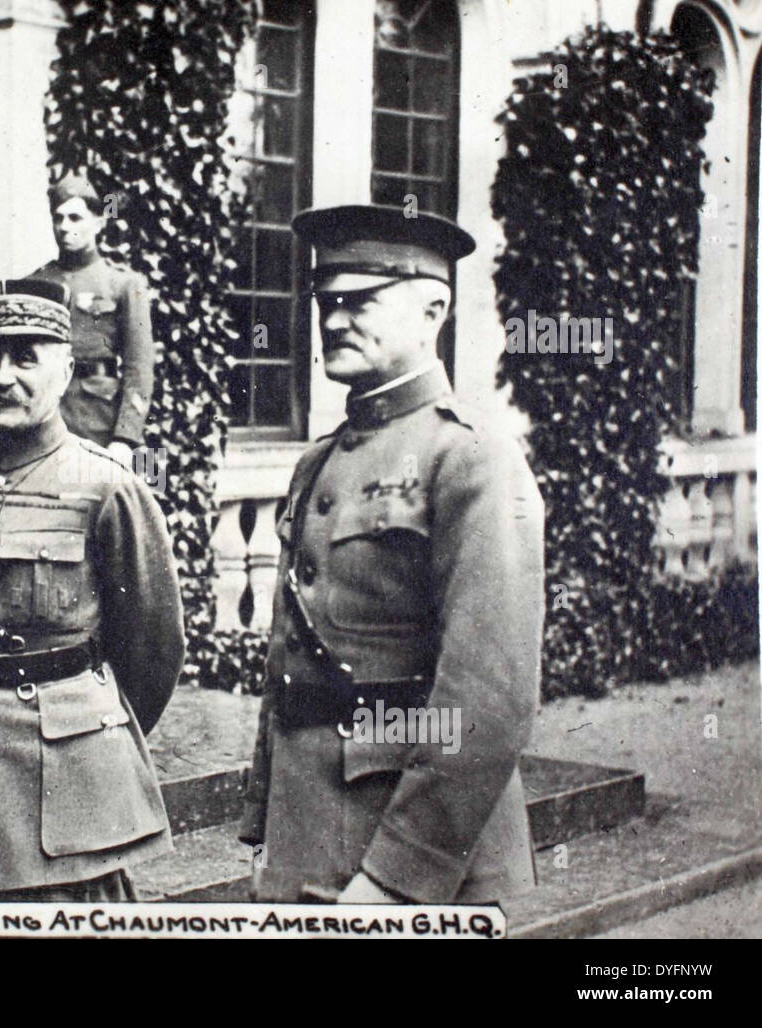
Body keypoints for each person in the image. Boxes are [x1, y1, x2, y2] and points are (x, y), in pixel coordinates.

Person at [239, 204, 545, 904]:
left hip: (417, 859)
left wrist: (398, 876)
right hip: (310, 839)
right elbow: (291, 663)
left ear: (433, 307)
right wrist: (266, 829)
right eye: (325, 301)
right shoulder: (316, 464)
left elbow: (489, 696)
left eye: (360, 300)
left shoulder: (470, 459)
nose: (334, 319)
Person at [0, 278, 184, 901]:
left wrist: (85, 732)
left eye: (25, 357)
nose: (1, 377)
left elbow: (153, 651)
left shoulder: (108, 487)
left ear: (66, 369)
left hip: (65, 795)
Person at [29, 174, 155, 465]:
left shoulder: (123, 284)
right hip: (44, 420)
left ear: (98, 222)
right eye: (58, 218)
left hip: (99, 424)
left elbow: (139, 367)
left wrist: (125, 438)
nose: (65, 227)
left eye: (75, 218)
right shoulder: (36, 284)